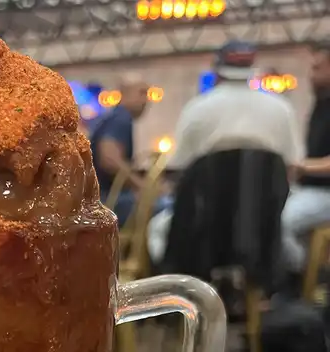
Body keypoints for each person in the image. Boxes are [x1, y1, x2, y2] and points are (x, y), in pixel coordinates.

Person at [148, 41, 302, 265]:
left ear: (217, 68)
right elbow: (292, 166)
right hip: (265, 226)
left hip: (205, 227)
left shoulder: (198, 108)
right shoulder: (281, 109)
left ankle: (175, 284)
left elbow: (179, 166)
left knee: (157, 228)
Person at [282, 42, 330, 272]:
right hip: (309, 190)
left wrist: (300, 166)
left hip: (325, 193)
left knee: (279, 222)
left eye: (317, 68)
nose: (311, 74)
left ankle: (299, 275)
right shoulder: (321, 104)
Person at [89, 73, 150, 224]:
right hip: (107, 201)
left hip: (97, 200)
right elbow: (109, 159)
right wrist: (140, 186)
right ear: (126, 93)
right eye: (141, 93)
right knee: (166, 208)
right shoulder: (121, 119)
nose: (146, 100)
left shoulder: (112, 116)